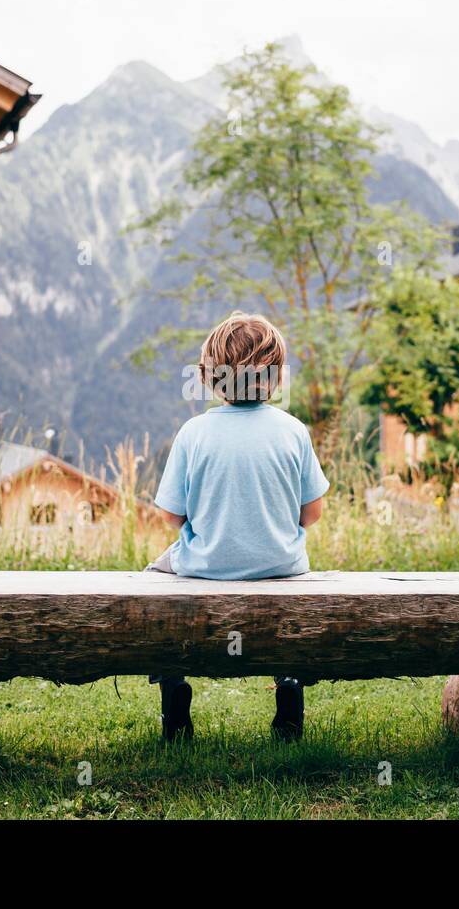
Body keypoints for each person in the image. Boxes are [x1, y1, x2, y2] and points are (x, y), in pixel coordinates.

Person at [146, 312, 330, 742]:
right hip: (282, 567)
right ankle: (289, 691)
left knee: (153, 582)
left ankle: (173, 693)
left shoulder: (194, 433)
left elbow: (171, 517)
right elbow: (312, 513)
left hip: (204, 566)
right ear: (277, 376)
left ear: (210, 377)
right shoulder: (294, 431)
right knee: (294, 602)